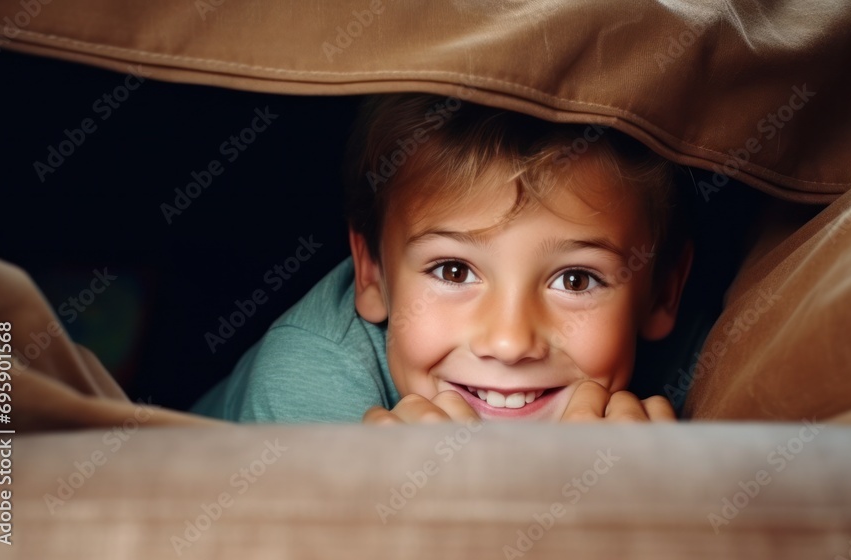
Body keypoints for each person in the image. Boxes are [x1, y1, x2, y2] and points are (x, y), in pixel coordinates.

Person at [192, 93, 693, 423]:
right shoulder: (305, 381)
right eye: (454, 271)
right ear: (371, 273)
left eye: (577, 280)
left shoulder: (701, 361)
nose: (509, 342)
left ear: (662, 291)